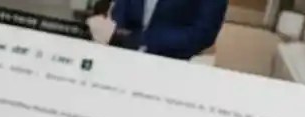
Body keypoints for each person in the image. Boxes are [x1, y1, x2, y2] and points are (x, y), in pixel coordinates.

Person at [95, 0, 229, 60]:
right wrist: (110, 29)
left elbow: (202, 35)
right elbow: (120, 12)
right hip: (121, 60)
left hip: (171, 70)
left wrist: (141, 40)